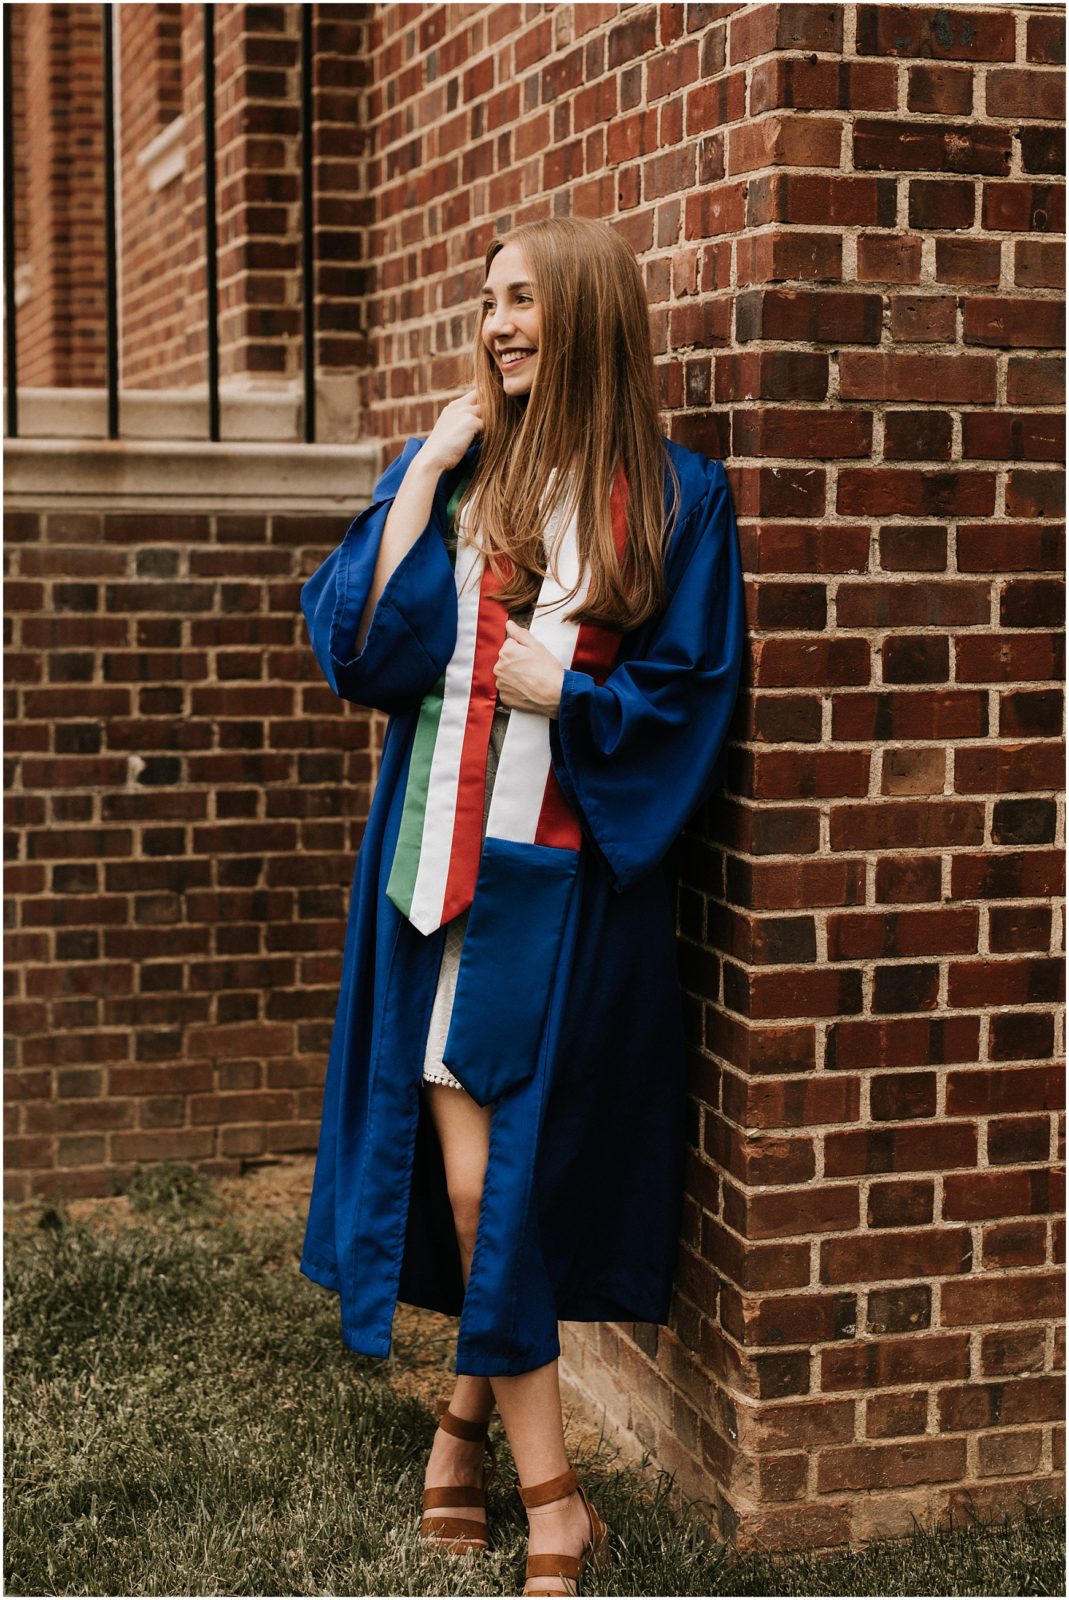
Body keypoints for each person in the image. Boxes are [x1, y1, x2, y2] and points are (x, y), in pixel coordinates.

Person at [298, 215, 744, 1597]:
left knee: (513, 1184)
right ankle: (557, 1506)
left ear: (590, 317)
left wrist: (576, 695)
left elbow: (692, 697)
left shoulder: (676, 499)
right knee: (476, 1182)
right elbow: (358, 649)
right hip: (435, 881)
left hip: (564, 893)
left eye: (526, 301)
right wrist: (426, 473)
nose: (498, 325)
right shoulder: (460, 472)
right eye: (489, 301)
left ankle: (462, 1426)